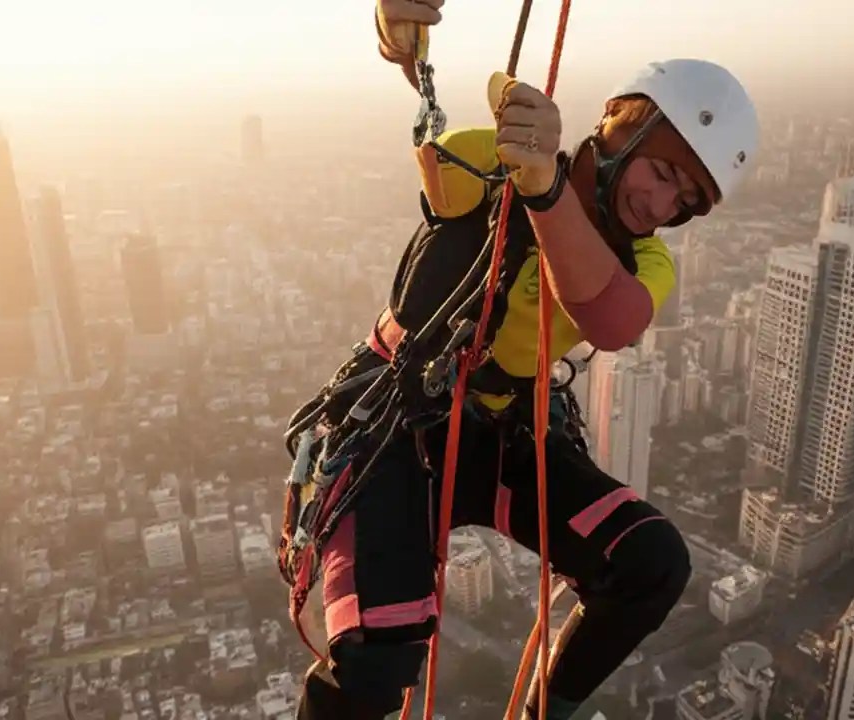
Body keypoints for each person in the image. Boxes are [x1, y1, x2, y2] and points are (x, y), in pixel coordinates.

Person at [285, 1, 760, 717]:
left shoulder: (645, 260)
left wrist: (544, 190)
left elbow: (608, 316)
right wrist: (402, 45)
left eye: (685, 198)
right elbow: (435, 144)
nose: (661, 204)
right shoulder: (498, 159)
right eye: (662, 172)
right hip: (397, 427)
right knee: (376, 663)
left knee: (651, 563)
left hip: (501, 434)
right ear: (620, 124)